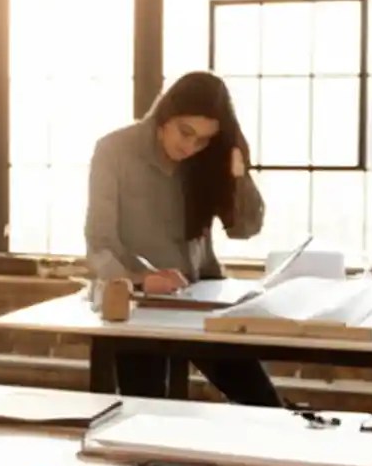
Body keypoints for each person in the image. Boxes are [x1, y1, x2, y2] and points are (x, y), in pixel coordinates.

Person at [84, 71, 283, 407]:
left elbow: (244, 230)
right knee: (143, 412)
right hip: (135, 304)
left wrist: (238, 176)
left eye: (203, 140)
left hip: (200, 298)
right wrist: (141, 279)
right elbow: (99, 242)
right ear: (166, 113)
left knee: (263, 402)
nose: (190, 146)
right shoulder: (114, 150)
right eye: (185, 132)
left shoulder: (204, 158)